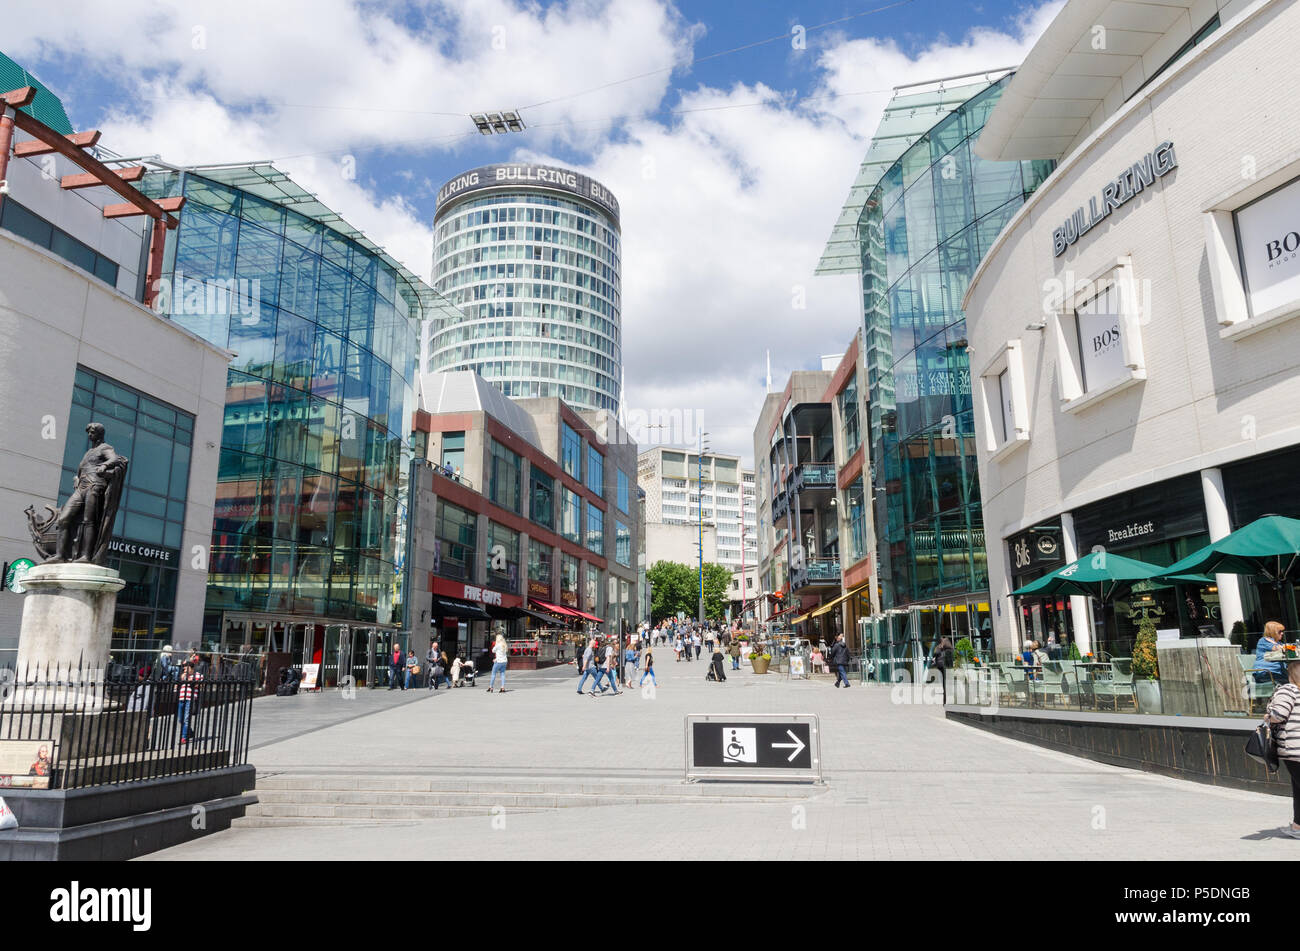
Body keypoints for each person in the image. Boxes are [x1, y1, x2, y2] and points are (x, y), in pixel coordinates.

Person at [1264, 657, 1300, 839]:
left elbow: (1279, 714)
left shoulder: (1289, 689)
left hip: (1294, 749)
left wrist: (1267, 716)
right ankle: (1297, 826)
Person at [1256, 621, 1288, 686]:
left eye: (1282, 631)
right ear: (1273, 632)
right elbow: (1278, 648)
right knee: (1293, 681)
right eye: (1279, 631)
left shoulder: (1279, 643)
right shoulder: (1263, 641)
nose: (1282, 633)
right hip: (1266, 674)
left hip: (1278, 673)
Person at [177, 661, 201, 744]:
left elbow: (198, 685)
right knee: (181, 719)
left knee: (186, 718)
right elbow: (179, 684)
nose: (184, 669)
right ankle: (190, 732)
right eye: (184, 668)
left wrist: (190, 680)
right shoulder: (183, 675)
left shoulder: (198, 675)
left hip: (190, 698)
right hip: (181, 698)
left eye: (186, 668)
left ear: (192, 668)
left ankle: (184, 737)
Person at [931, 635, 953, 704]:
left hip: (940, 665)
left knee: (944, 680)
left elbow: (934, 655)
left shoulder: (938, 647)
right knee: (946, 680)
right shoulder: (951, 649)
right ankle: (947, 694)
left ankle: (945, 694)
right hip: (947, 666)